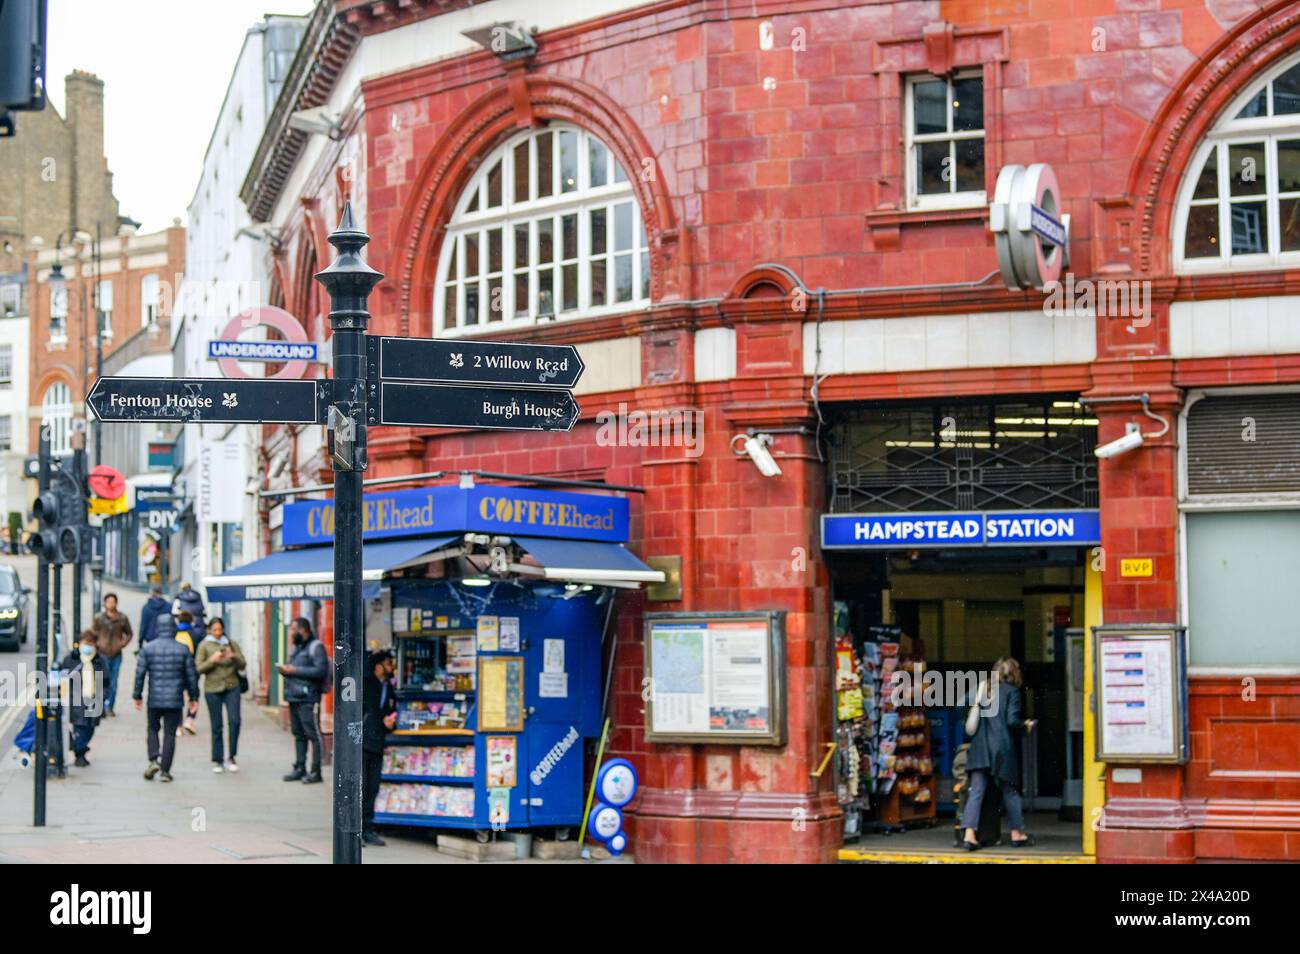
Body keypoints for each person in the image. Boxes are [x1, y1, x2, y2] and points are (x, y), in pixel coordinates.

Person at [961, 656, 1037, 850]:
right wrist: (1024, 725)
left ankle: (969, 835)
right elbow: (1012, 721)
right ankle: (1017, 833)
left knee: (976, 792)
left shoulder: (984, 689)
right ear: (1014, 673)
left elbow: (961, 704)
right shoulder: (1013, 692)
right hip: (1002, 748)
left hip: (979, 748)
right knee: (1010, 791)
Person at [133, 616, 199, 783]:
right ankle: (165, 771)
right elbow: (191, 676)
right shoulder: (183, 649)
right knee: (170, 734)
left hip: (154, 698)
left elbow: (140, 674)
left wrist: (137, 695)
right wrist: (193, 697)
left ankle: (154, 758)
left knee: (153, 729)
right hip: (175, 700)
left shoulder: (148, 649)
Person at [278, 617, 327, 784]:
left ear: (303, 630)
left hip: (309, 698)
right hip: (294, 697)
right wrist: (286, 671)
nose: (291, 633)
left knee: (313, 734)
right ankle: (300, 767)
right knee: (298, 734)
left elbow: (321, 671)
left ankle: (316, 770)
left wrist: (295, 670)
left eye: (293, 629)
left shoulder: (316, 647)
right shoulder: (296, 648)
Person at [195, 617, 245, 774]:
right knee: (217, 725)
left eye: (220, 629)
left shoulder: (231, 643)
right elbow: (198, 668)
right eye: (214, 629)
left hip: (232, 686)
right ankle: (218, 759)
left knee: (235, 721)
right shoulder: (204, 645)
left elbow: (243, 664)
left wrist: (233, 656)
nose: (218, 632)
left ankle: (231, 756)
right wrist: (212, 660)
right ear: (210, 630)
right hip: (212, 688)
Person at [362, 649, 398, 846]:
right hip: (365, 742)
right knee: (362, 786)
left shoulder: (388, 688)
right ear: (378, 667)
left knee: (372, 788)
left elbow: (391, 711)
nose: (391, 667)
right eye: (388, 663)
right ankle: (357, 830)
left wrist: (391, 721)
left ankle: (368, 829)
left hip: (378, 744)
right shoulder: (367, 685)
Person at [60, 630, 108, 768]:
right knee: (80, 727)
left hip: (94, 700)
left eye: (90, 643)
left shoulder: (99, 661)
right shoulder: (71, 660)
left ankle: (80, 750)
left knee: (90, 728)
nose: (88, 646)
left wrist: (102, 697)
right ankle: (80, 753)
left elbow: (106, 682)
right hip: (77, 701)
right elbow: (63, 679)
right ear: (79, 644)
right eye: (85, 643)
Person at [91, 592, 133, 718]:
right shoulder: (99, 618)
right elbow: (93, 632)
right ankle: (100, 706)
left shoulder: (122, 618)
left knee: (113, 681)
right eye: (108, 602)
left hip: (116, 653)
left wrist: (122, 644)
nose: (110, 604)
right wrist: (96, 644)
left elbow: (129, 633)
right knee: (100, 680)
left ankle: (110, 707)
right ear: (104, 603)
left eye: (113, 602)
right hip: (102, 653)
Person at [173, 610, 200, 735]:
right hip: (192, 670)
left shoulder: (174, 633)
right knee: (193, 695)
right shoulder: (196, 634)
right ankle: (189, 720)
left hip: (177, 670)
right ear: (191, 621)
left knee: (178, 698)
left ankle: (178, 726)